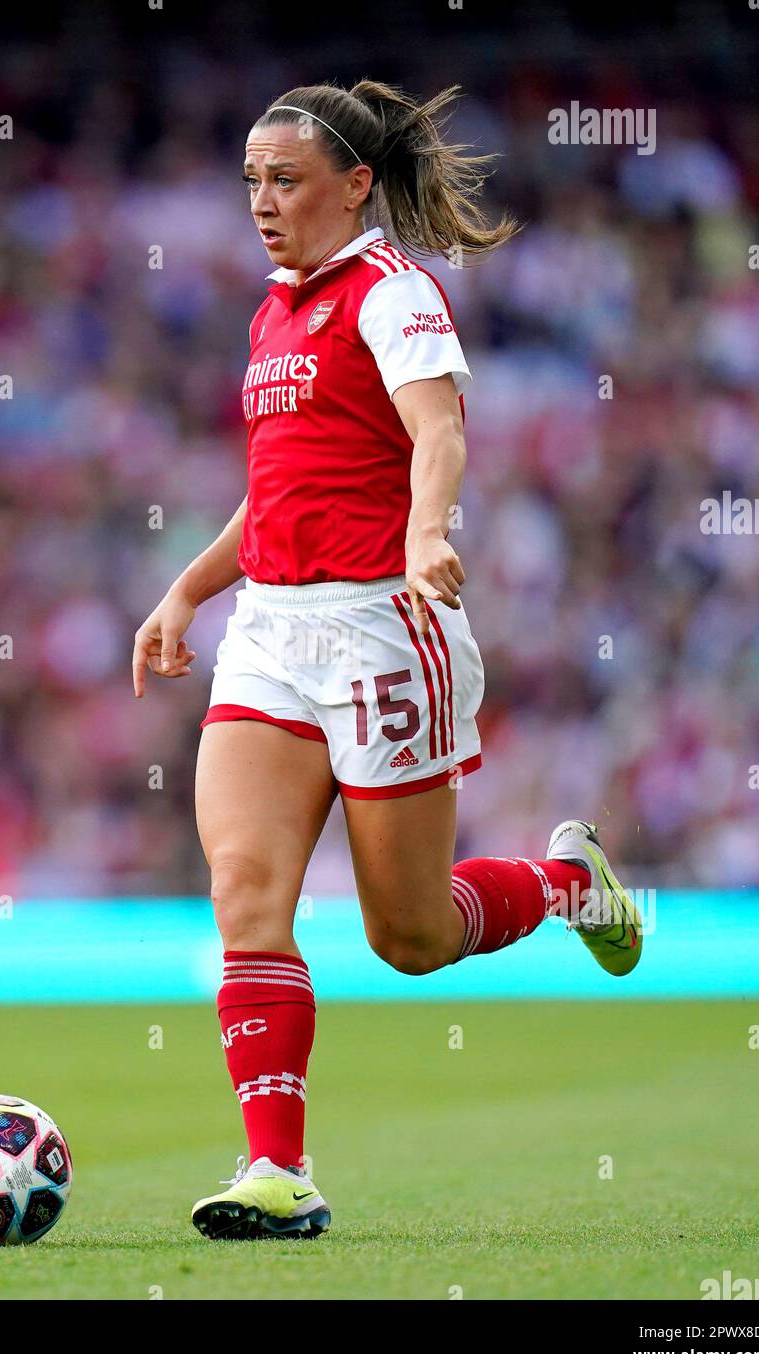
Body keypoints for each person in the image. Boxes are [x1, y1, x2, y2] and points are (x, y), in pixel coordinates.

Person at [132, 80, 642, 1240]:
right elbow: (273, 492)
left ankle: (570, 884)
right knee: (245, 893)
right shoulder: (272, 313)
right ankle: (277, 1171)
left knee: (407, 938)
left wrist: (425, 531)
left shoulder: (392, 293)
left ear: (353, 184)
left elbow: (439, 428)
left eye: (286, 181)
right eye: (250, 181)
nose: (261, 202)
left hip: (382, 626)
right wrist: (186, 590)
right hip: (268, 631)